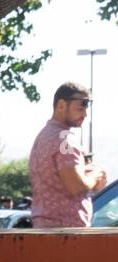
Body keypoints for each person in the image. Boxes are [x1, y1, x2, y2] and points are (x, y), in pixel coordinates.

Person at [30, 82, 109, 228]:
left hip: (47, 226)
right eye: (80, 108)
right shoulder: (64, 139)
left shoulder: (44, 135)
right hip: (66, 230)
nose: (85, 114)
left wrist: (85, 173)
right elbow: (75, 185)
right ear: (61, 105)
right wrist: (96, 175)